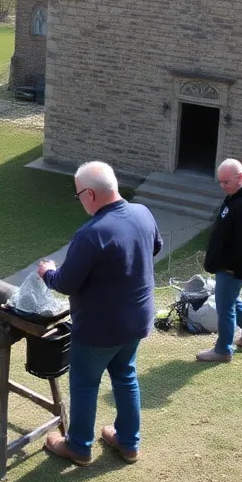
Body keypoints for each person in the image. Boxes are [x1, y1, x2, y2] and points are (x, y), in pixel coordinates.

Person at [37, 161, 162, 466]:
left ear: (90, 194)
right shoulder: (143, 212)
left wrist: (47, 273)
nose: (79, 200)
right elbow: (154, 247)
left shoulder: (90, 234)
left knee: (84, 383)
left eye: (78, 194)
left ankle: (79, 446)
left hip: (99, 329)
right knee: (125, 375)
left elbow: (65, 283)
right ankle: (128, 443)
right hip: (137, 321)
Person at [197, 158, 242, 363]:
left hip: (231, 269)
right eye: (220, 182)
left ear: (239, 177)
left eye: (225, 182)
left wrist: (228, 266)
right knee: (230, 298)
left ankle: (223, 350)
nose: (222, 186)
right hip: (228, 267)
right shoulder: (236, 196)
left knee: (224, 307)